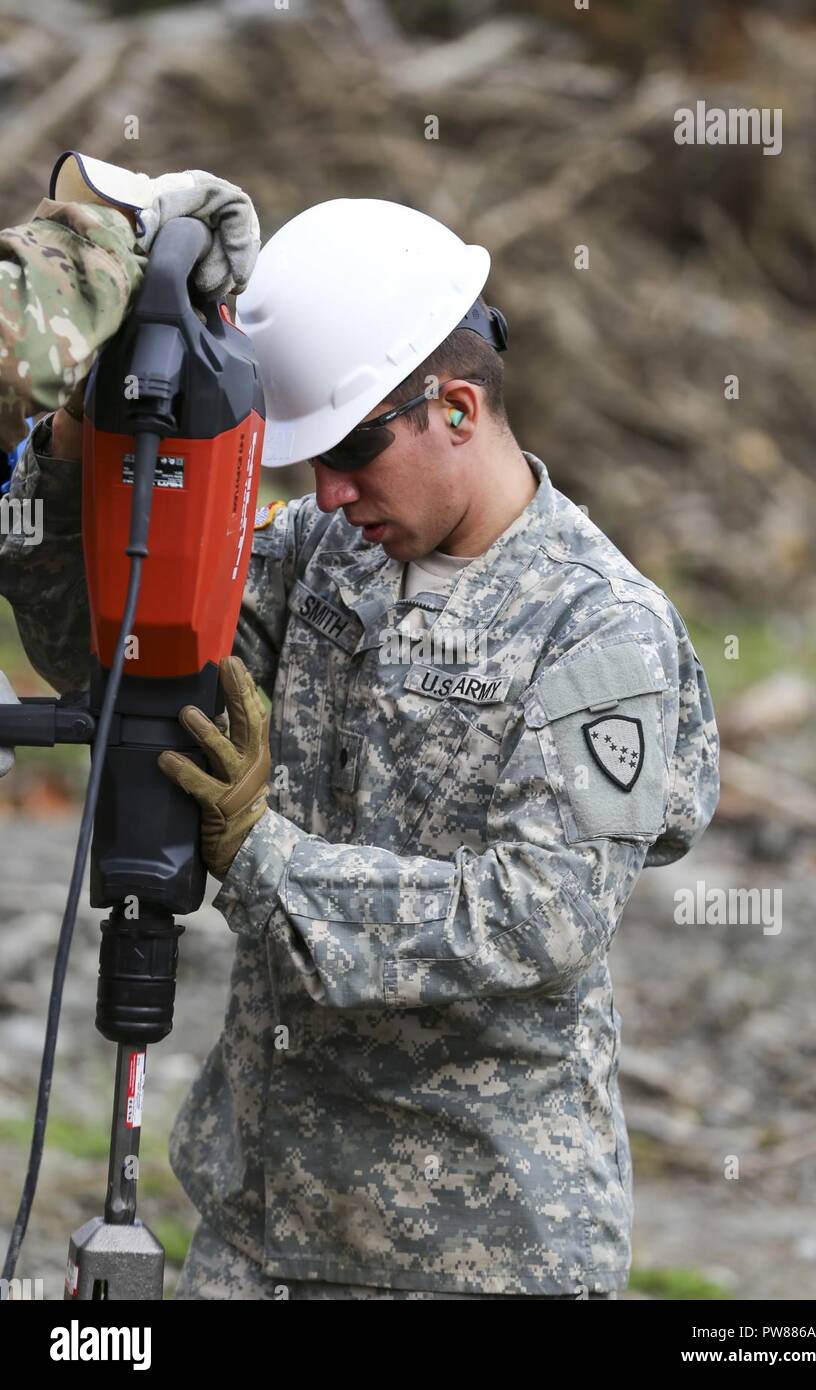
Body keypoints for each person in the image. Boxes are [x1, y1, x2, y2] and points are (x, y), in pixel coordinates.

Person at [0, 177, 720, 1300]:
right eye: (307, 461)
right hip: (264, 1225)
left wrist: (260, 854)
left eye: (350, 451)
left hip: (477, 1252)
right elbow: (126, 661)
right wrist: (76, 428)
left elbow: (531, 920)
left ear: (456, 409)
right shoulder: (321, 558)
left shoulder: (596, 629)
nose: (327, 491)